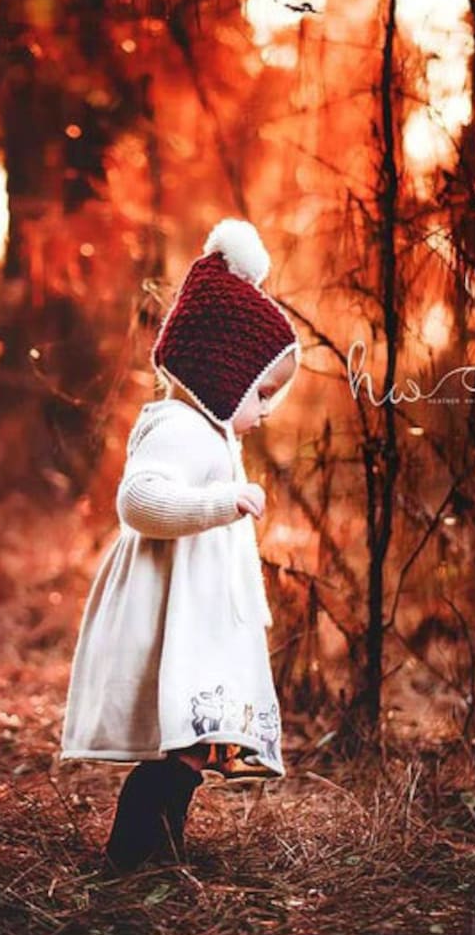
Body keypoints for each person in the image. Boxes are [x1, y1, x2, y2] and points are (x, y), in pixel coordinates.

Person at [60, 218, 301, 872]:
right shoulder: (177, 428)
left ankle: (161, 850)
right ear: (221, 373)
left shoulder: (215, 437)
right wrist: (221, 503)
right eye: (264, 392)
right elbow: (138, 503)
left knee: (193, 745)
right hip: (170, 618)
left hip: (199, 618)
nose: (269, 410)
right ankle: (133, 855)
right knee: (180, 747)